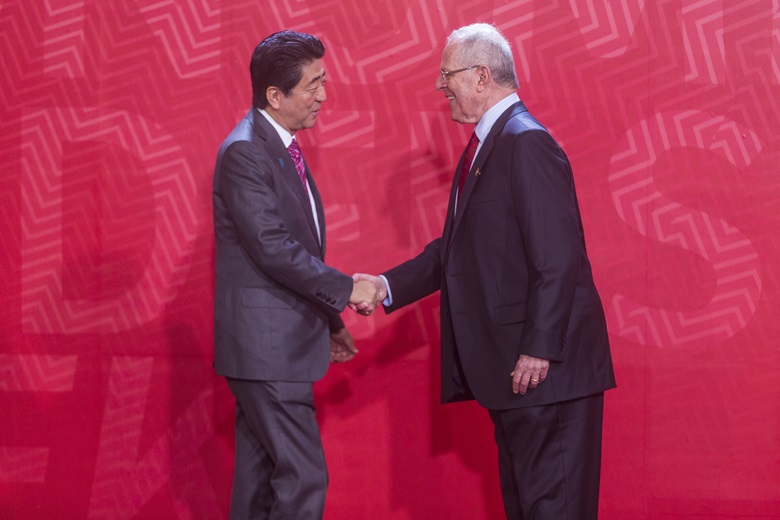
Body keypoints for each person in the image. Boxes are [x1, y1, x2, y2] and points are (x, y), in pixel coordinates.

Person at [355, 23, 616, 519]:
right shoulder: (487, 146)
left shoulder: (525, 142)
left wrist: (539, 347)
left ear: (481, 76)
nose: (439, 87)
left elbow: (559, 255)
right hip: (515, 378)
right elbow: (455, 251)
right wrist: (386, 285)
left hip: (545, 376)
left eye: (446, 74)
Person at [212, 30, 383, 519]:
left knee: (260, 480)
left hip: (274, 346)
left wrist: (329, 322)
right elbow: (271, 248)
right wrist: (347, 289)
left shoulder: (278, 146)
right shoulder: (245, 151)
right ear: (275, 95)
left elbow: (291, 249)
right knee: (303, 478)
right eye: (313, 85)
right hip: (268, 350)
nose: (323, 96)